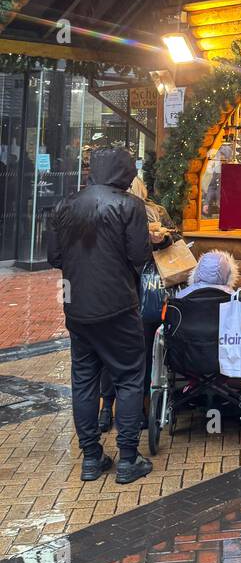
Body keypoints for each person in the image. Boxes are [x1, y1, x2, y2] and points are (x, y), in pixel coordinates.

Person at [47, 147, 153, 485]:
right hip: (118, 306)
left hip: (77, 308)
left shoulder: (64, 205)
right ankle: (128, 457)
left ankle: (91, 458)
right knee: (129, 378)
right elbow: (140, 256)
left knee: (83, 381)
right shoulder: (130, 205)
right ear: (123, 172)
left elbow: (54, 257)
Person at [98, 176, 179, 432]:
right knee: (122, 352)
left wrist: (162, 239)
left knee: (134, 353)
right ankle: (112, 407)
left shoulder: (157, 212)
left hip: (143, 292)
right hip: (121, 290)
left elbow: (175, 241)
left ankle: (131, 410)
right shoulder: (113, 210)